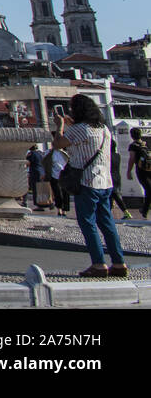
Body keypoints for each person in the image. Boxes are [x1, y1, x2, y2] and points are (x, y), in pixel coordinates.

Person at [54, 94, 127, 278]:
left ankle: (98, 264)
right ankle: (119, 263)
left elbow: (57, 144)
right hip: (105, 181)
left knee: (87, 222)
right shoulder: (104, 129)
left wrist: (60, 126)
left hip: (87, 182)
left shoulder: (79, 129)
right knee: (107, 223)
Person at [128, 127, 151, 220]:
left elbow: (132, 159)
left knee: (148, 190)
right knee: (149, 190)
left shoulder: (133, 146)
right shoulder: (145, 144)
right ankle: (144, 211)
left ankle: (144, 211)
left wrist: (129, 171)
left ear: (132, 136)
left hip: (141, 171)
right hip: (149, 170)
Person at [45, 143, 70, 217]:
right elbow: (45, 162)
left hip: (64, 176)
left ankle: (65, 209)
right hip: (54, 176)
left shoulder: (65, 153)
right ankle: (59, 209)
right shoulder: (50, 153)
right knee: (57, 193)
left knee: (65, 193)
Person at [25, 145, 45, 210]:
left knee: (35, 189)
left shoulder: (31, 154)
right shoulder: (40, 153)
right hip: (41, 172)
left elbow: (28, 163)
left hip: (35, 173)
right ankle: (42, 203)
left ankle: (39, 205)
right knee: (40, 189)